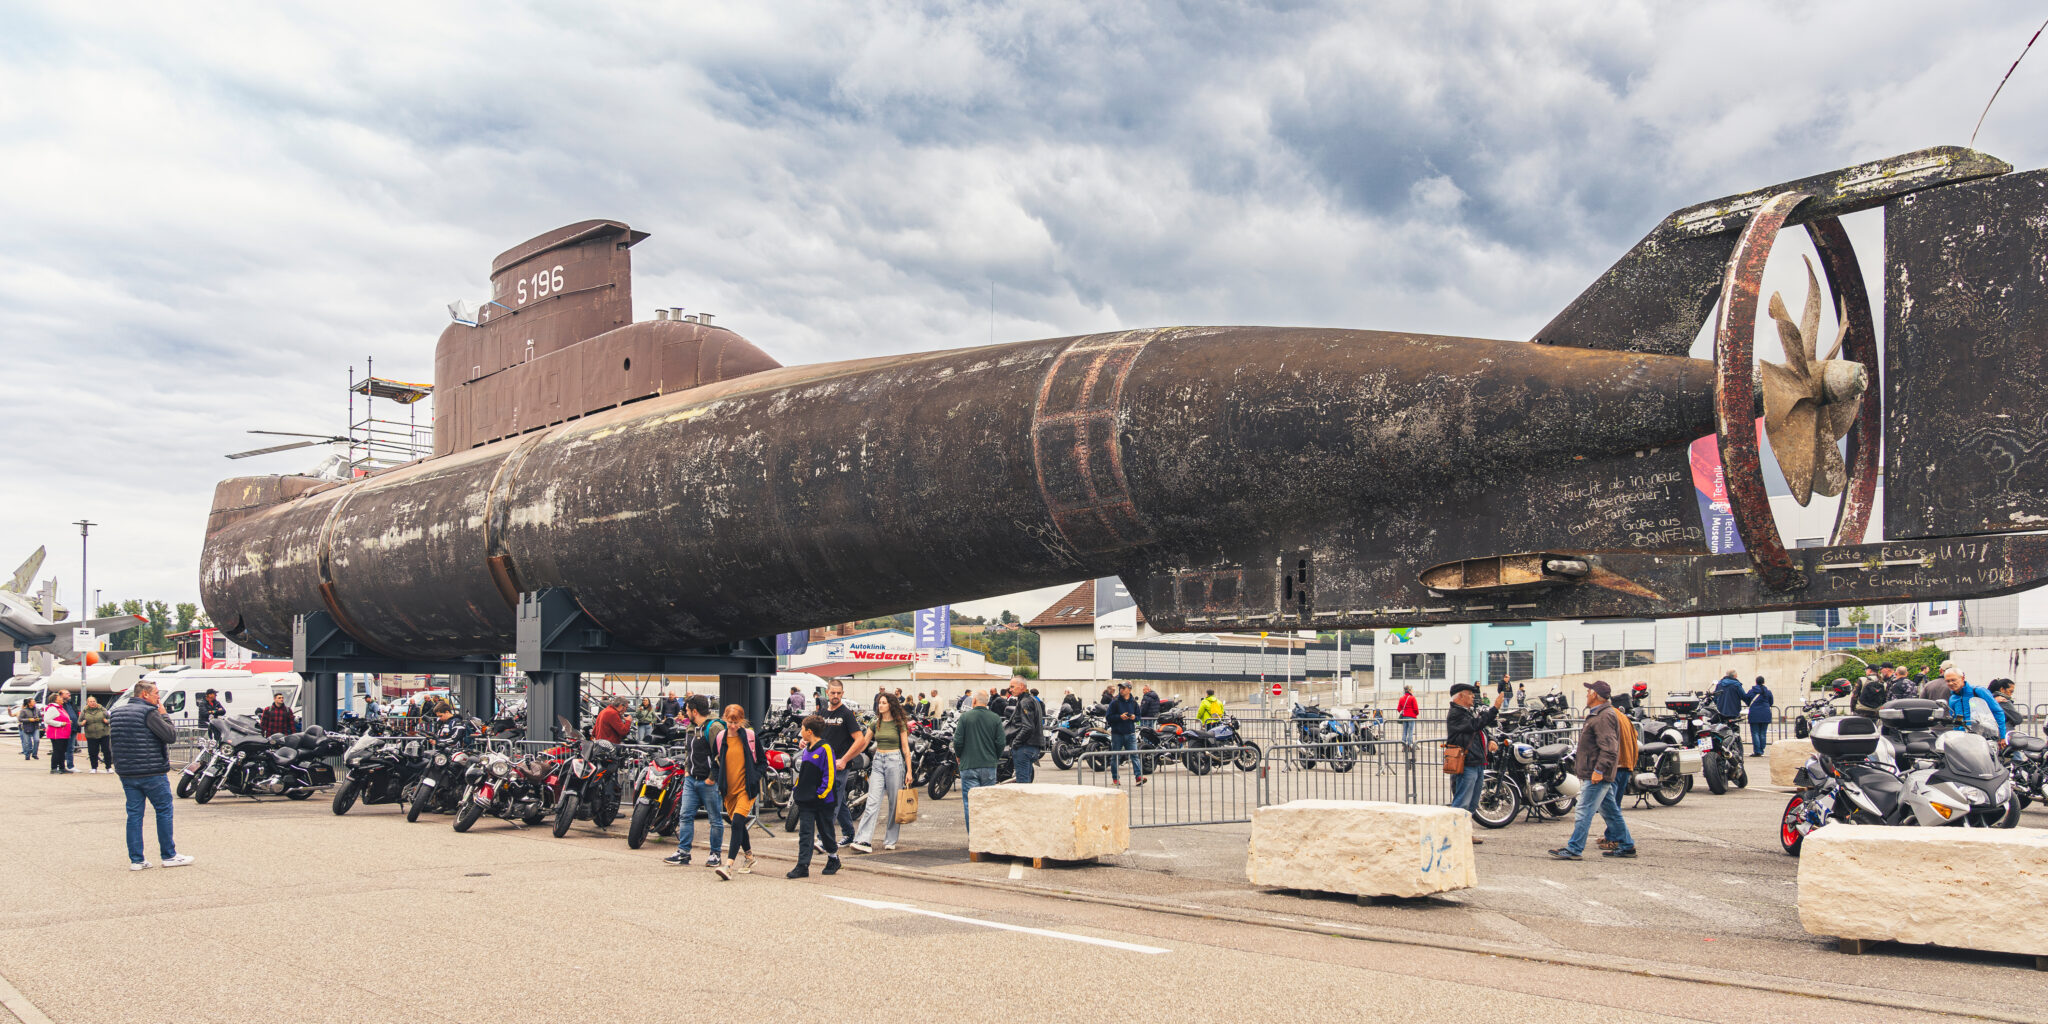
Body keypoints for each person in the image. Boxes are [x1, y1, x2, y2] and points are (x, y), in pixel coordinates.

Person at [1550, 680, 1636, 860]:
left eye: (1589, 692)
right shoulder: (1600, 714)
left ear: (1595, 695)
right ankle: (1627, 846)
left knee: (1583, 810)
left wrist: (1599, 770)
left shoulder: (1604, 716)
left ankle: (1574, 849)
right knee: (1611, 811)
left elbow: (1610, 748)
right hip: (1596, 772)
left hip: (1596, 774)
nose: (1586, 694)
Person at [111, 682, 193, 870]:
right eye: (156, 693)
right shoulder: (149, 713)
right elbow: (170, 736)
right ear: (145, 695)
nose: (158, 697)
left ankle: (137, 860)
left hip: (127, 771)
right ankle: (169, 855)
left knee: (134, 814)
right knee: (164, 810)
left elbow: (113, 742)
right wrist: (164, 715)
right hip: (152, 771)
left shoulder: (116, 713)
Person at [666, 695, 726, 868]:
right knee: (685, 816)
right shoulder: (691, 727)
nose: (685, 713)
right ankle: (683, 852)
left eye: (687, 710)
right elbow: (688, 751)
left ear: (694, 711)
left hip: (708, 782)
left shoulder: (714, 727)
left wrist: (712, 778)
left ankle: (715, 854)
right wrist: (687, 770)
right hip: (691, 779)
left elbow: (721, 755)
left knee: (715, 819)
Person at [850, 692, 913, 853]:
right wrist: (849, 756)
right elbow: (864, 743)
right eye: (879, 703)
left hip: (895, 762)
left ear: (891, 705)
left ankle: (890, 840)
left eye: (884, 703)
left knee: (894, 802)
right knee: (872, 801)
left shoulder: (899, 724)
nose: (881, 705)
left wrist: (909, 771)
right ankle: (863, 840)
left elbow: (905, 748)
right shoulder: (875, 723)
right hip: (878, 761)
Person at [811, 684, 869, 848]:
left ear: (843, 693)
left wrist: (844, 760)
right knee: (839, 800)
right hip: (823, 765)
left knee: (831, 801)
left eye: (838, 693)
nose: (835, 695)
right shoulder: (822, 713)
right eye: (832, 693)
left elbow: (860, 740)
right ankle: (849, 834)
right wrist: (806, 741)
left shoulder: (846, 714)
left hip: (839, 767)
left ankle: (824, 839)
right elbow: (816, 735)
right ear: (827, 693)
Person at [786, 716, 841, 879]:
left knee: (826, 832)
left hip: (822, 801)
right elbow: (804, 773)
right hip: (806, 800)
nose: (800, 732)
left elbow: (830, 775)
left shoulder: (825, 749)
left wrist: (820, 795)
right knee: (805, 833)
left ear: (809, 732)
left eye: (802, 728)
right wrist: (797, 788)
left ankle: (833, 858)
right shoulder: (807, 749)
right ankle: (802, 866)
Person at [1444, 683, 1499, 843]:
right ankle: (1455, 835)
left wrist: (1491, 740)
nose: (1473, 696)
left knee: (1473, 803)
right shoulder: (1456, 714)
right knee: (1462, 802)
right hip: (1466, 763)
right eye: (1470, 693)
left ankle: (1466, 833)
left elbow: (1482, 730)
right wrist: (1494, 708)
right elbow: (1475, 725)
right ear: (1461, 696)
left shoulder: (1467, 712)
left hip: (1477, 761)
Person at [715, 703, 761, 880]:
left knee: (736, 823)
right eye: (730, 722)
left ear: (742, 721)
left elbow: (762, 762)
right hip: (729, 790)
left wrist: (755, 777)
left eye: (736, 722)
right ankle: (749, 857)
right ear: (725, 719)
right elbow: (715, 761)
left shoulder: (750, 736)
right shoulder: (720, 738)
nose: (733, 726)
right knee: (739, 825)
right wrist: (716, 779)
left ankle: (728, 865)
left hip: (746, 789)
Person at [955, 691, 1005, 831]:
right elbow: (1001, 742)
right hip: (989, 766)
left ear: (974, 701)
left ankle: (973, 838)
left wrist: (959, 756)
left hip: (969, 765)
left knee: (970, 804)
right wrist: (994, 757)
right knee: (987, 803)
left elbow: (958, 741)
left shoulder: (965, 717)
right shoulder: (995, 718)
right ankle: (986, 836)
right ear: (987, 702)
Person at [1942, 667, 2006, 739]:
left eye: (1953, 680)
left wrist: (2002, 736)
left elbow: (1997, 712)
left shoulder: (1978, 691)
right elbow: (1956, 719)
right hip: (1962, 737)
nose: (1951, 683)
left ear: (1962, 678)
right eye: (1947, 681)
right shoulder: (1952, 699)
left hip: (1982, 736)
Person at [1004, 676, 1044, 784]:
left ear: (1021, 686)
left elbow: (1028, 727)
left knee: (1022, 785)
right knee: (1026, 784)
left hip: (1025, 747)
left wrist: (1016, 743)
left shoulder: (1025, 701)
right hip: (1031, 747)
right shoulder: (1031, 700)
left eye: (1012, 687)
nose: (1010, 690)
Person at [1105, 682, 1145, 787]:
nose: (1121, 690)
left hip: (1130, 733)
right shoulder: (1115, 702)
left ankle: (1138, 777)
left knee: (1134, 756)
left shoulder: (1134, 703)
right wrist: (1119, 717)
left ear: (1129, 690)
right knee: (1115, 757)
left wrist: (1134, 718)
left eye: (1123, 688)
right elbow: (1108, 717)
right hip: (1117, 734)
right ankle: (1115, 778)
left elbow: (1138, 717)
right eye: (1120, 688)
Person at [43, 692, 74, 774]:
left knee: (62, 751)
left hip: (63, 733)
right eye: (59, 698)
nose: (61, 699)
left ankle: (62, 767)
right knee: (57, 751)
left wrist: (68, 721)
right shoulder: (52, 708)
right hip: (56, 733)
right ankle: (53, 768)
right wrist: (60, 724)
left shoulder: (60, 708)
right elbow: (47, 720)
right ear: (55, 700)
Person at [1744, 676, 1774, 756]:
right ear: (1764, 682)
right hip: (1765, 714)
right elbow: (1771, 702)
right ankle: (1761, 749)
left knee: (1755, 733)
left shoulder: (1751, 691)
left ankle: (1757, 751)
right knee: (1763, 733)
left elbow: (1747, 701)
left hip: (1754, 714)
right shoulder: (1768, 692)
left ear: (1756, 682)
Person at [81, 697, 113, 773]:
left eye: (94, 701)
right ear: (87, 703)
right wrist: (82, 723)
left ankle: (108, 767)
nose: (92, 703)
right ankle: (94, 767)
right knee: (92, 752)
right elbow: (79, 722)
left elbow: (110, 718)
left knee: (106, 750)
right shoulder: (84, 711)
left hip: (103, 733)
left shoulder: (102, 709)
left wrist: (107, 721)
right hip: (91, 734)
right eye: (90, 701)